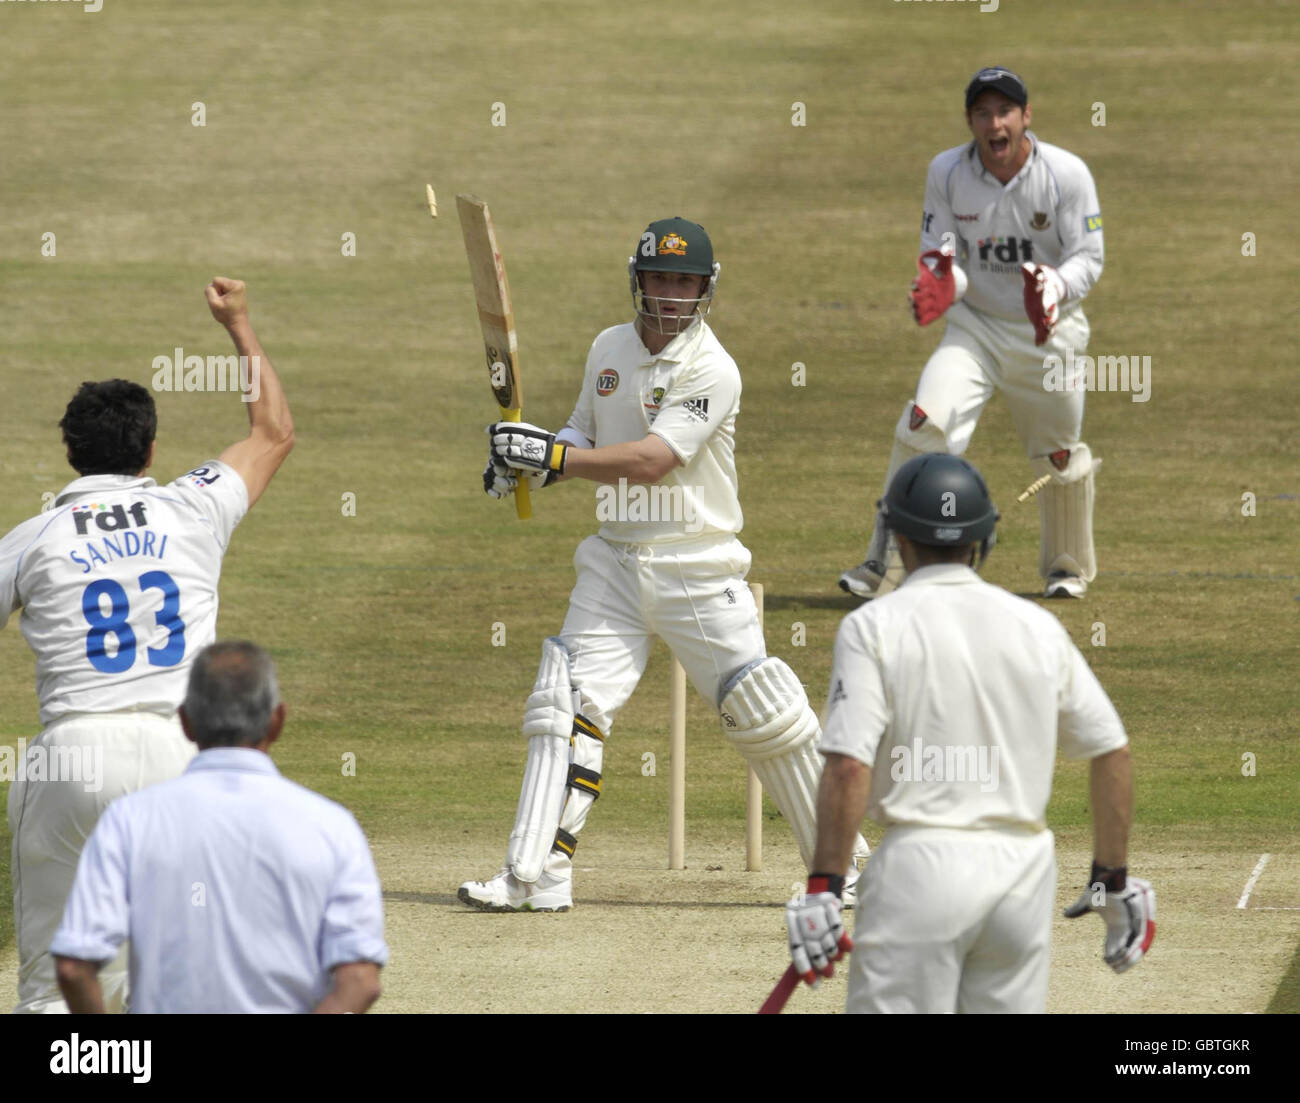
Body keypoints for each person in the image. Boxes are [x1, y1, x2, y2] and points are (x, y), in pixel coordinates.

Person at [461, 217, 869, 912]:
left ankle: (850, 867)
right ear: (638, 280)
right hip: (615, 562)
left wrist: (554, 460)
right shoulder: (608, 347)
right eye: (660, 278)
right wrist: (527, 461)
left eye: (685, 281)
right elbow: (583, 434)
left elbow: (651, 460)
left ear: (705, 288)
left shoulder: (714, 368)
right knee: (566, 701)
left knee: (764, 711)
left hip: (697, 565)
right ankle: (536, 875)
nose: (671, 294)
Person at [1, 277, 294, 1013]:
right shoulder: (192, 503)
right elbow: (273, 433)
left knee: (55, 989)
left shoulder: (31, 539)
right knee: (179, 977)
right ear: (152, 447)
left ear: (71, 453)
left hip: (74, 758)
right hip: (183, 756)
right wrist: (239, 324)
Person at [788, 454, 1155, 1013]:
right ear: (982, 540)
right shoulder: (1037, 626)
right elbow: (1112, 751)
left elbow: (848, 767)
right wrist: (1111, 877)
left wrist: (824, 888)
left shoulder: (873, 625)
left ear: (898, 537)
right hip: (1022, 874)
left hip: (918, 872)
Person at [840, 66, 1105, 601]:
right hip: (975, 330)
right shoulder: (947, 170)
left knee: (1057, 456)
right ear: (970, 121)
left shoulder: (1066, 174)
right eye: (982, 113)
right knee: (922, 425)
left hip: (1047, 333)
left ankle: (1067, 568)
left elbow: (1090, 258)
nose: (994, 123)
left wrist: (1052, 287)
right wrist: (944, 282)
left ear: (1026, 117)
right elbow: (940, 253)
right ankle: (886, 565)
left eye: (1005, 111)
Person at [50, 641, 388, 1014]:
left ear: (186, 722)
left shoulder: (129, 819)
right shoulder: (332, 827)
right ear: (277, 721)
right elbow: (360, 982)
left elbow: (73, 967)